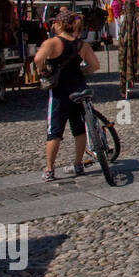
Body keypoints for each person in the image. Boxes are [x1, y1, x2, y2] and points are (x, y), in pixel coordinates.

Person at [33, 10, 100, 181]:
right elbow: (95, 65)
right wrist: (82, 72)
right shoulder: (81, 45)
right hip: (78, 89)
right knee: (78, 128)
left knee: (54, 131)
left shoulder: (52, 43)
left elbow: (37, 59)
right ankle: (78, 165)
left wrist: (42, 71)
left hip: (59, 92)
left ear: (59, 24)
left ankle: (49, 169)